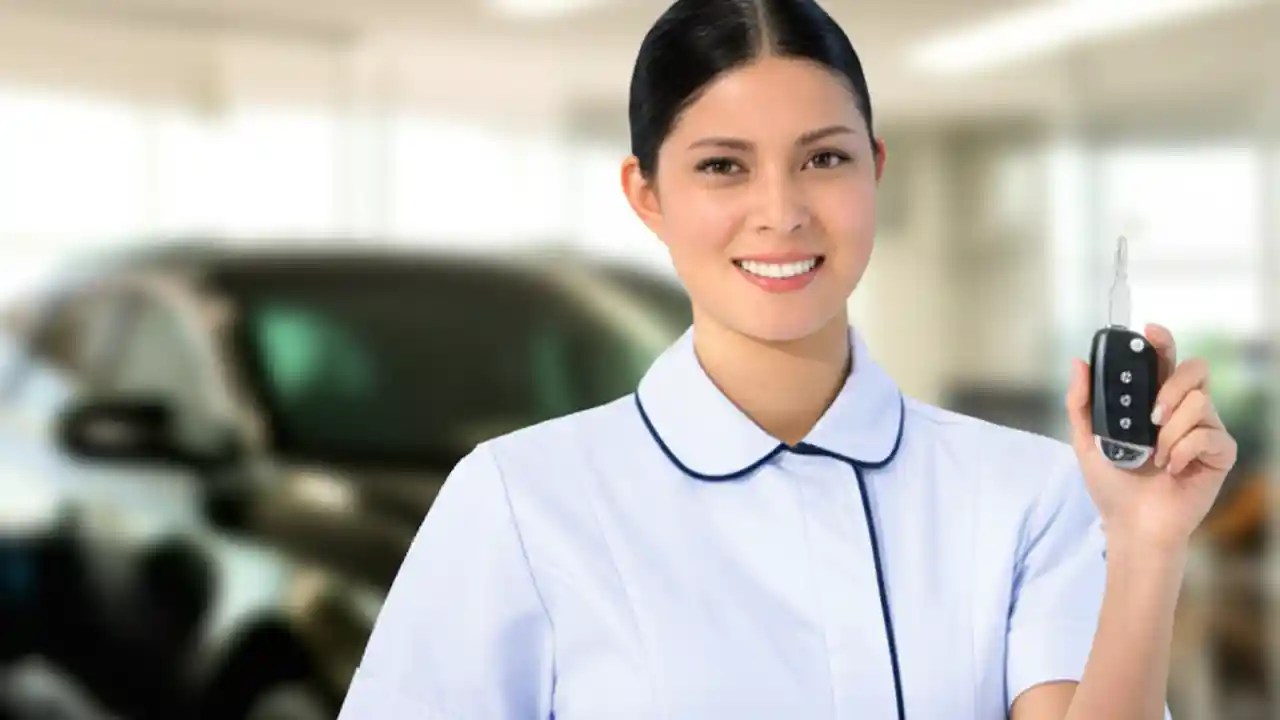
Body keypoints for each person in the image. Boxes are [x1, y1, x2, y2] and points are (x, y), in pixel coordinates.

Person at [336, 1, 1238, 718]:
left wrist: (1148, 546)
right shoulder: (520, 502)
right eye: (724, 166)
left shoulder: (1030, 497)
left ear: (874, 169)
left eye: (823, 159)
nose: (782, 211)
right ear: (645, 195)